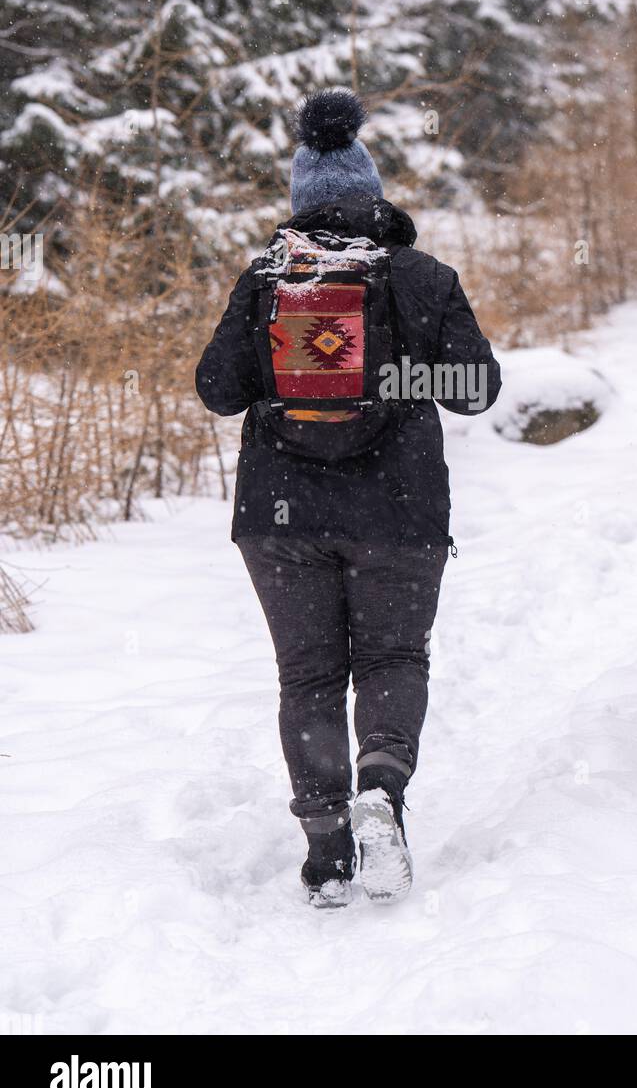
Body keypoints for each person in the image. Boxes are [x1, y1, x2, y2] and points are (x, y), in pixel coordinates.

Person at [195, 89, 501, 907]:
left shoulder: (264, 278)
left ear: (297, 201)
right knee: (393, 659)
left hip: (278, 517)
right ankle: (382, 792)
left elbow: (219, 390)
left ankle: (327, 849)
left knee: (308, 675)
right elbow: (474, 390)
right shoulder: (422, 276)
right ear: (373, 194)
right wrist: (395, 378)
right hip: (397, 513)